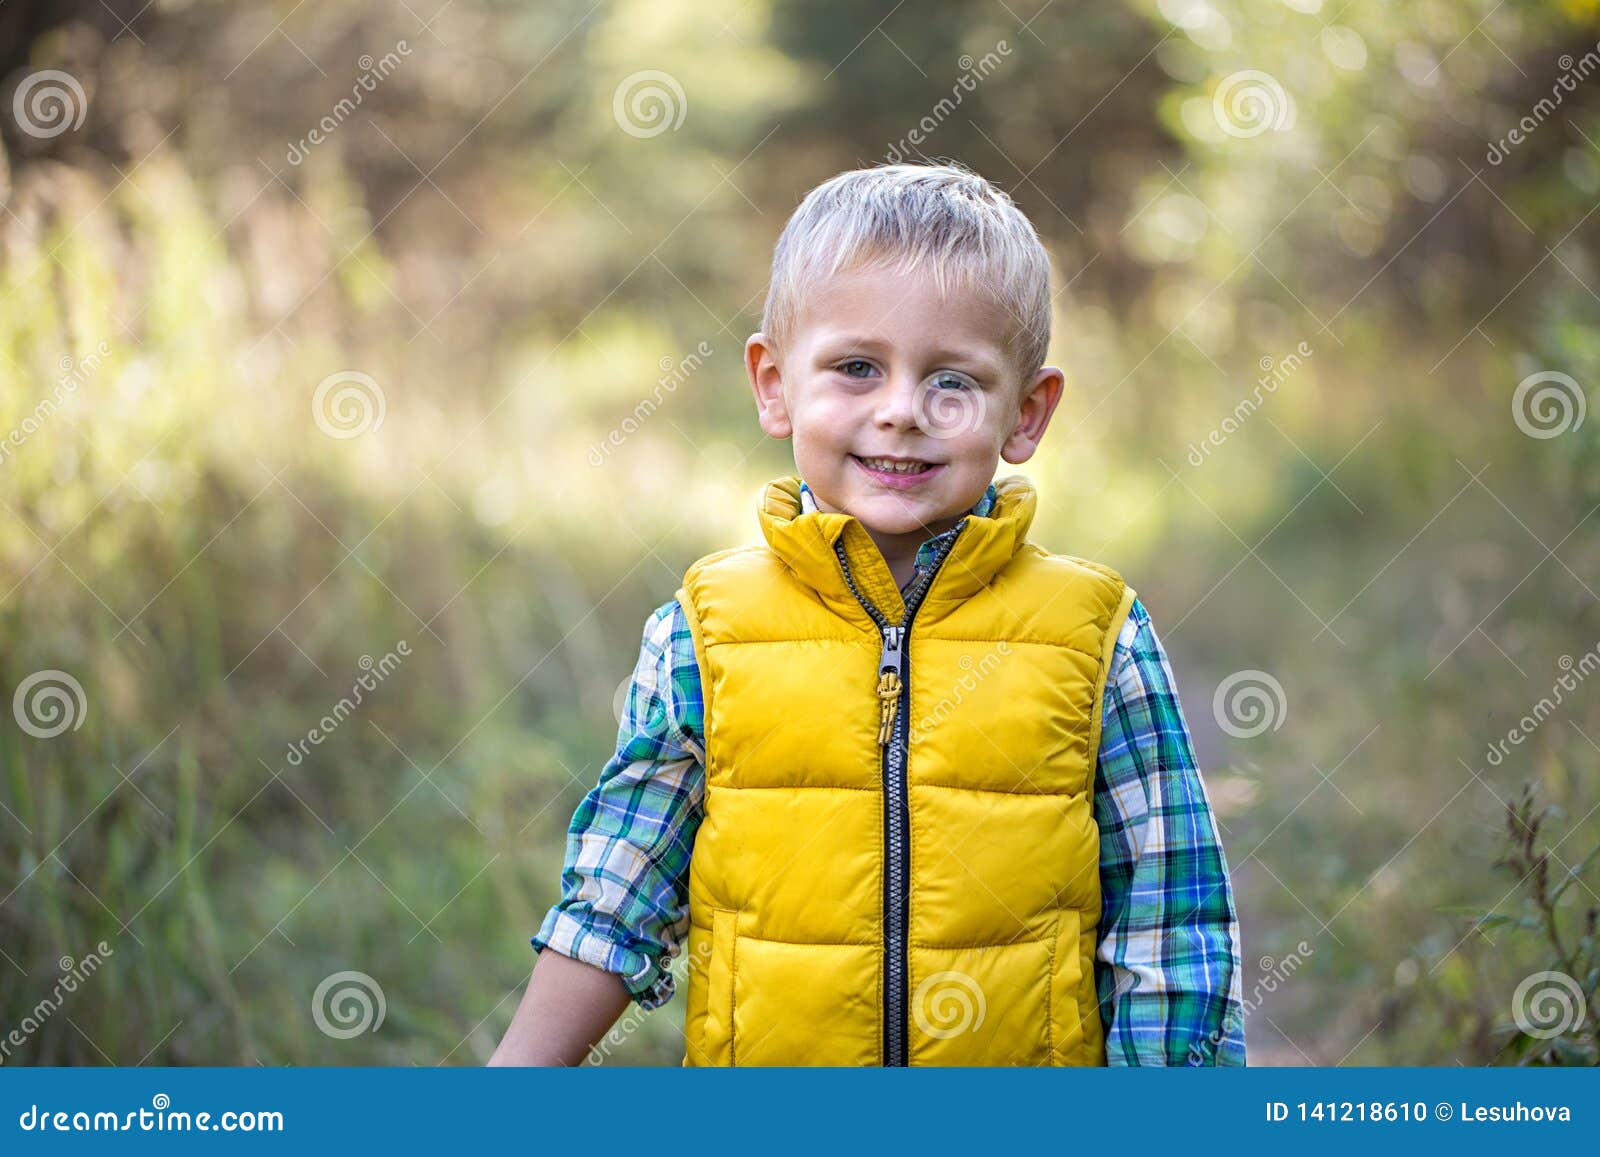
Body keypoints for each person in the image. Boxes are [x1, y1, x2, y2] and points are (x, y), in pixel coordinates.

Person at [489, 161, 1246, 1067]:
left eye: (952, 381)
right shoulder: (704, 631)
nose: (901, 412)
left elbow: (1172, 928)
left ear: (1027, 411)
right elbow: (618, 892)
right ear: (774, 384)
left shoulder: (1095, 633)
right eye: (856, 367)